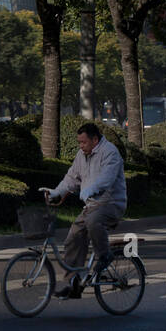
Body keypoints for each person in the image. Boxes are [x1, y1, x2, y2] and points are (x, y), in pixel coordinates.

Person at [42, 122, 127, 299]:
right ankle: (74, 284)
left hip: (111, 203)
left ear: (95, 139)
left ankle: (104, 256)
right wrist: (57, 191)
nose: (81, 146)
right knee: (73, 237)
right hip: (91, 205)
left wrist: (91, 189)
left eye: (84, 142)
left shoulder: (110, 152)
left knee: (93, 221)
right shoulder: (82, 155)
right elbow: (72, 177)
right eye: (79, 142)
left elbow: (106, 179)